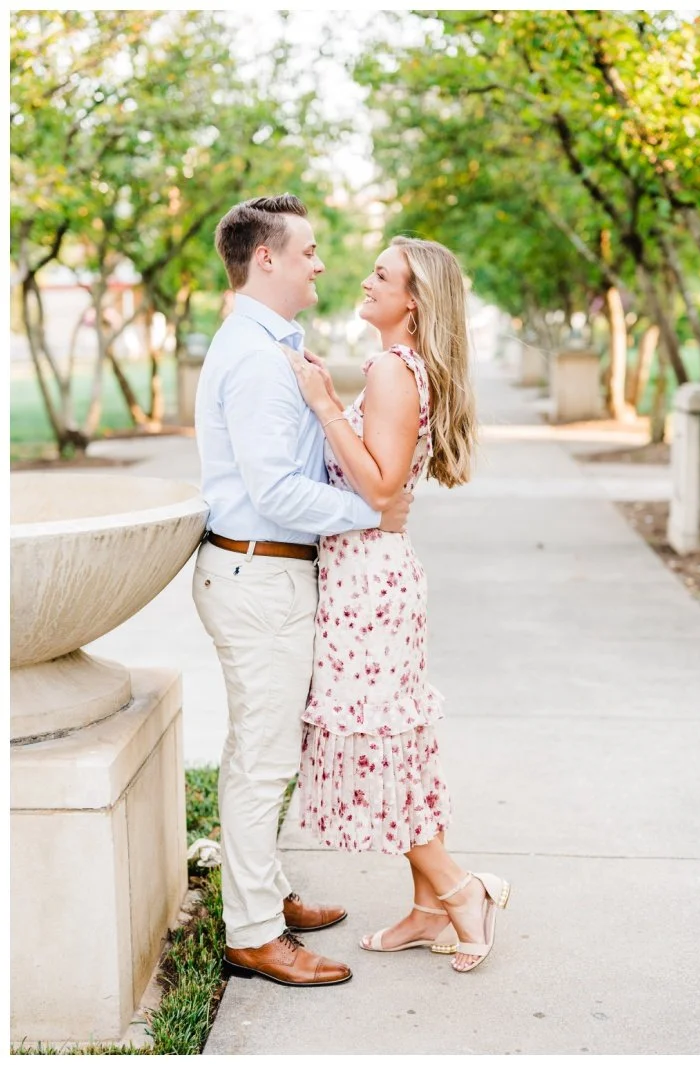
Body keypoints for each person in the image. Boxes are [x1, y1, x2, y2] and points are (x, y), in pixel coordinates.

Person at [194, 194, 412, 987]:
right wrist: (373, 508)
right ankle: (252, 932)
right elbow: (276, 489)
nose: (323, 263)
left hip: (267, 570)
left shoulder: (270, 343)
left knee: (260, 748)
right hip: (259, 570)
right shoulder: (255, 358)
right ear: (267, 259)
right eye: (310, 251)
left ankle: (265, 892)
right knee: (262, 758)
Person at [282, 236, 510, 975]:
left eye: (383, 274)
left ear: (413, 300)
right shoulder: (404, 366)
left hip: (368, 584)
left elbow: (380, 489)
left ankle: (458, 886)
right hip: (373, 574)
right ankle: (424, 908)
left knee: (378, 741)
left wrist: (322, 404)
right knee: (397, 739)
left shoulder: (387, 367)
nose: (365, 280)